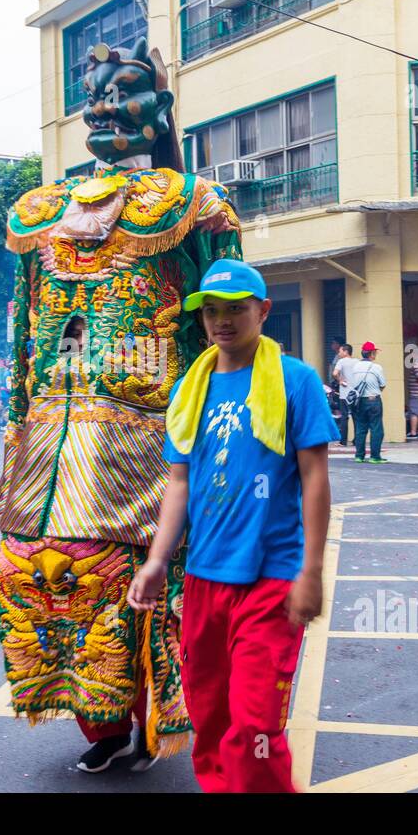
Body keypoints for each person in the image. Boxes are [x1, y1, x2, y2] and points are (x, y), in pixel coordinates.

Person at [0, 35, 244, 774]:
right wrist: (15, 432)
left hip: (148, 438)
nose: (101, 104)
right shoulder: (42, 209)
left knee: (135, 581)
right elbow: (22, 339)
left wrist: (221, 431)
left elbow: (223, 320)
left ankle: (143, 720)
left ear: (160, 106)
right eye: (93, 91)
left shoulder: (193, 203)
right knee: (35, 573)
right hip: (49, 442)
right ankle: (97, 724)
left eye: (123, 87)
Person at [128, 258, 334, 793]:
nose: (223, 321)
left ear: (262, 311)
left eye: (236, 309)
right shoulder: (189, 390)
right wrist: (156, 560)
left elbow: (315, 479)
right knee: (211, 716)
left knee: (255, 722)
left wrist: (311, 571)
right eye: (212, 311)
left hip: (271, 578)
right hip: (203, 578)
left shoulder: (297, 381)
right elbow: (179, 483)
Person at [351, 341, 387, 463]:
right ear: (371, 353)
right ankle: (375, 456)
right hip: (373, 400)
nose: (375, 354)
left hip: (359, 401)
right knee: (376, 429)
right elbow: (383, 384)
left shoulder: (355, 367)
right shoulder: (376, 367)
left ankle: (359, 456)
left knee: (361, 428)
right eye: (375, 352)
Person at [331, 343, 356, 446]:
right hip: (355, 394)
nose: (339, 352)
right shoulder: (357, 362)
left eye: (340, 351)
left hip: (345, 394)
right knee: (356, 417)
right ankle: (357, 440)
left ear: (346, 352)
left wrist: (340, 380)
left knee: (344, 417)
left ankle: (343, 441)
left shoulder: (341, 361)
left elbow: (335, 373)